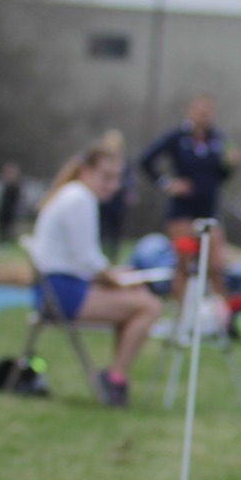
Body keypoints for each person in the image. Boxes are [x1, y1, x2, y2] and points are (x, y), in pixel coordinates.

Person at [32, 141, 162, 407]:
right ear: (86, 171)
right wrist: (114, 279)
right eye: (106, 177)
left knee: (138, 298)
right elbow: (86, 259)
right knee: (149, 306)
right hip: (61, 292)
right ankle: (115, 378)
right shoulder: (80, 198)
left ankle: (114, 376)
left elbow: (82, 260)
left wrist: (114, 276)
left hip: (54, 288)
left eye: (117, 178)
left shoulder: (71, 194)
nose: (112, 185)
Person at [139, 94, 238, 307]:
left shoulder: (218, 139)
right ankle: (182, 313)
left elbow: (221, 175)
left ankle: (222, 316)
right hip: (182, 213)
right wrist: (167, 183)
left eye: (207, 111)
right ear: (190, 111)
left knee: (215, 266)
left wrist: (230, 165)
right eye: (199, 110)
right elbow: (146, 160)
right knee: (184, 264)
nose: (203, 115)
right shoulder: (177, 137)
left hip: (208, 212)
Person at [95, 129, 135, 260]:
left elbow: (129, 179)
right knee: (100, 227)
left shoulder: (124, 161)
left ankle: (113, 256)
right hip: (102, 199)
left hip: (118, 199)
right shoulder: (99, 160)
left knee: (116, 230)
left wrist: (129, 192)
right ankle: (100, 252)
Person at [0, 161, 25, 242]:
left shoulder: (16, 187)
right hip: (2, 214)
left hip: (10, 214)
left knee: (8, 232)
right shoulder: (5, 186)